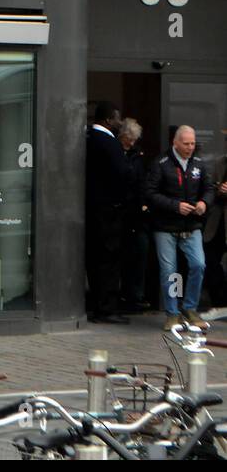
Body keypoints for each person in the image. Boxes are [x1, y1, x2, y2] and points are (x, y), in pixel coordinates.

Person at [144, 125, 215, 331]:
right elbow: (150, 192)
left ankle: (190, 308)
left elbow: (209, 189)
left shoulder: (199, 164)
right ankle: (173, 313)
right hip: (165, 226)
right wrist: (175, 206)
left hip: (191, 225)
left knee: (198, 265)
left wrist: (204, 203)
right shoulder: (161, 163)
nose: (190, 147)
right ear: (175, 143)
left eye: (193, 143)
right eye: (186, 143)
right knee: (170, 271)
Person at [85, 101, 128, 324]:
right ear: (109, 120)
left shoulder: (88, 139)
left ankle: (97, 305)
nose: (120, 122)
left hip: (93, 210)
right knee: (108, 261)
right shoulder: (108, 143)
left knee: (95, 260)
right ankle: (107, 309)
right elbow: (122, 174)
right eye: (118, 118)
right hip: (108, 213)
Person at [117, 118, 151, 313]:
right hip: (121, 211)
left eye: (133, 139)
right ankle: (121, 295)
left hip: (137, 214)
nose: (130, 142)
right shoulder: (117, 152)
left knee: (139, 254)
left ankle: (134, 296)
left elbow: (142, 182)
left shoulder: (138, 156)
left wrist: (144, 205)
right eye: (128, 138)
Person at [195, 146, 227, 315]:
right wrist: (219, 189)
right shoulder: (219, 163)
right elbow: (208, 188)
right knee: (209, 260)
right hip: (217, 222)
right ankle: (220, 300)